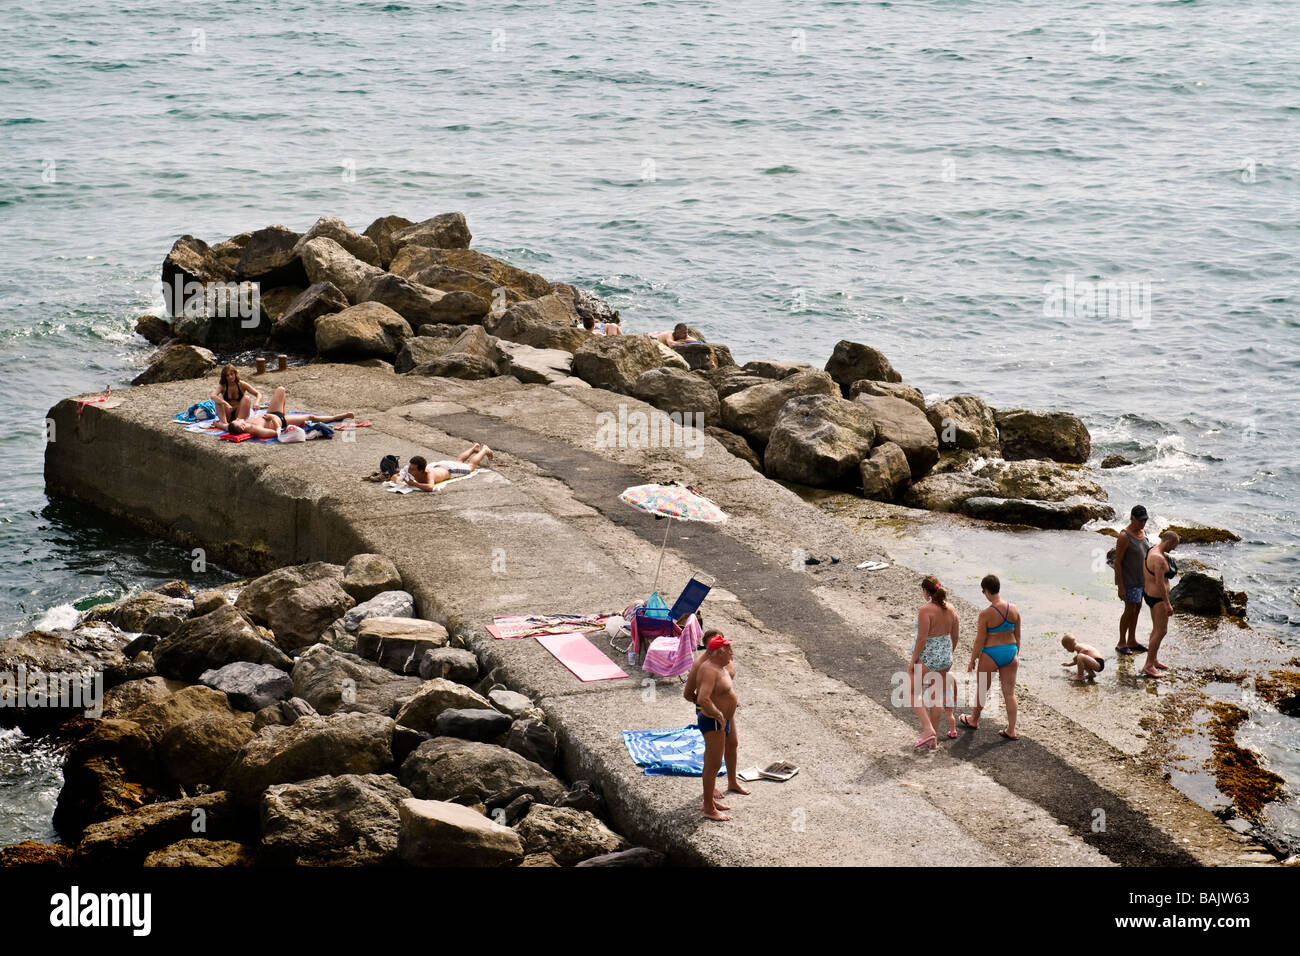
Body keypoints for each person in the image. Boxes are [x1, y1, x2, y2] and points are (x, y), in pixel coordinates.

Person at [960, 573, 1021, 740]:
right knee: (1009, 693)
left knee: (982, 688)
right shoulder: (1014, 609)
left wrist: (973, 659)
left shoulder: (986, 614)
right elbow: (1018, 635)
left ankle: (974, 720)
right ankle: (1011, 730)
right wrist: (1016, 653)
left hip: (991, 653)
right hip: (1010, 651)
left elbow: (980, 640)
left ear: (986, 591)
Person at [693, 633, 747, 821]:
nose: (731, 652)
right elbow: (702, 698)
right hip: (714, 721)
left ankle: (713, 800)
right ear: (716, 653)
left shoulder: (720, 666)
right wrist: (718, 714)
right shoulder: (709, 669)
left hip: (723, 720)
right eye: (727, 649)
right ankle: (708, 807)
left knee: (718, 758)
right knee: (713, 764)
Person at [908, 575, 959, 749]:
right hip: (946, 657)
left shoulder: (925, 610)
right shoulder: (951, 609)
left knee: (913, 692)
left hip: (929, 657)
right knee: (935, 696)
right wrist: (948, 653)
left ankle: (928, 730)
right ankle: (933, 741)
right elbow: (955, 636)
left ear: (925, 591)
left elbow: (922, 639)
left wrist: (913, 660)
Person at [226, 386, 353, 439]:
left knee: (281, 389)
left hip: (273, 412)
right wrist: (273, 418)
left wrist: (218, 424)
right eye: (238, 421)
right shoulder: (256, 429)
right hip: (281, 421)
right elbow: (277, 433)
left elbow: (226, 426)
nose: (237, 419)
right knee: (311, 417)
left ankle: (283, 412)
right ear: (242, 427)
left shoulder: (241, 422)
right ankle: (339, 416)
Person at [1140, 531, 1180, 678]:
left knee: (1156, 629)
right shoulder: (1158, 559)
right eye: (1174, 546)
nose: (1174, 549)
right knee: (1161, 631)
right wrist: (1167, 604)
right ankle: (1148, 666)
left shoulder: (1152, 550)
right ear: (1168, 541)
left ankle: (1153, 659)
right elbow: (1160, 582)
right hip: (1158, 598)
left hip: (1150, 595)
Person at [1113, 505, 1151, 656]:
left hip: (1142, 580)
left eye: (1145, 520)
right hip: (1129, 581)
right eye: (1140, 520)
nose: (1143, 523)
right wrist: (1120, 587)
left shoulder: (1143, 532)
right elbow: (1117, 562)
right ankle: (1121, 642)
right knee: (1129, 610)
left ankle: (1132, 640)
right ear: (1132, 518)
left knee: (1137, 608)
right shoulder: (1124, 536)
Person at [398, 444, 494, 491]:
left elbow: (430, 487)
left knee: (470, 467)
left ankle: (484, 450)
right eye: (410, 467)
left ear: (421, 470)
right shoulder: (410, 469)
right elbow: (396, 476)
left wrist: (413, 484)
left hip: (449, 469)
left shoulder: (428, 474)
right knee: (458, 462)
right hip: (438, 466)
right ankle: (474, 448)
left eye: (413, 469)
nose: (410, 470)